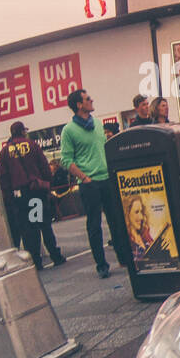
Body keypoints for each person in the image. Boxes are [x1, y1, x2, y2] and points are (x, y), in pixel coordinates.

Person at [60, 88, 131, 278]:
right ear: (79, 105)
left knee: (116, 220)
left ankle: (124, 258)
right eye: (87, 99)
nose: (92, 100)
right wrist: (84, 177)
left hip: (106, 178)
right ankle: (102, 264)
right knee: (94, 225)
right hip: (89, 183)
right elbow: (66, 160)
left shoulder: (98, 124)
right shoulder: (69, 131)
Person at [0, 122, 65, 270]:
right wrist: (48, 185)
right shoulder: (31, 145)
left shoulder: (4, 151)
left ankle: (35, 260)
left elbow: (3, 176)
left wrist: (8, 197)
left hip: (19, 196)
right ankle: (55, 255)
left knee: (28, 229)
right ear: (22, 131)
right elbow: (44, 168)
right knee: (43, 224)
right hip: (35, 193)